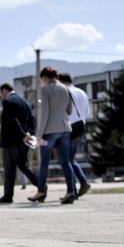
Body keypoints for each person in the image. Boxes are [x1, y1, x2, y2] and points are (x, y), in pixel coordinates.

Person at [25, 67, 76, 204]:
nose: (42, 82)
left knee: (44, 163)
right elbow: (70, 110)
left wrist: (39, 134)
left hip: (49, 132)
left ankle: (41, 192)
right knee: (66, 162)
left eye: (42, 79)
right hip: (65, 129)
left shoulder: (45, 89)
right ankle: (71, 192)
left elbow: (45, 113)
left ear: (45, 77)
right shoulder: (66, 88)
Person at [0, 82, 39, 203]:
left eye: (1, 94)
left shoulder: (8, 101)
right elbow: (32, 120)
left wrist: (22, 134)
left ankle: (8, 196)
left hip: (12, 141)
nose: (1, 96)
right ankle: (41, 186)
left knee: (10, 169)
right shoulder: (25, 102)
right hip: (24, 142)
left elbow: (12, 121)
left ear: (4, 91)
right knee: (23, 166)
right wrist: (29, 133)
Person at [57, 72, 92, 198]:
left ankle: (72, 190)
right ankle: (80, 185)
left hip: (68, 128)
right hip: (81, 127)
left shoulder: (64, 92)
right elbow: (87, 111)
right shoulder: (82, 92)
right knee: (70, 159)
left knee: (65, 160)